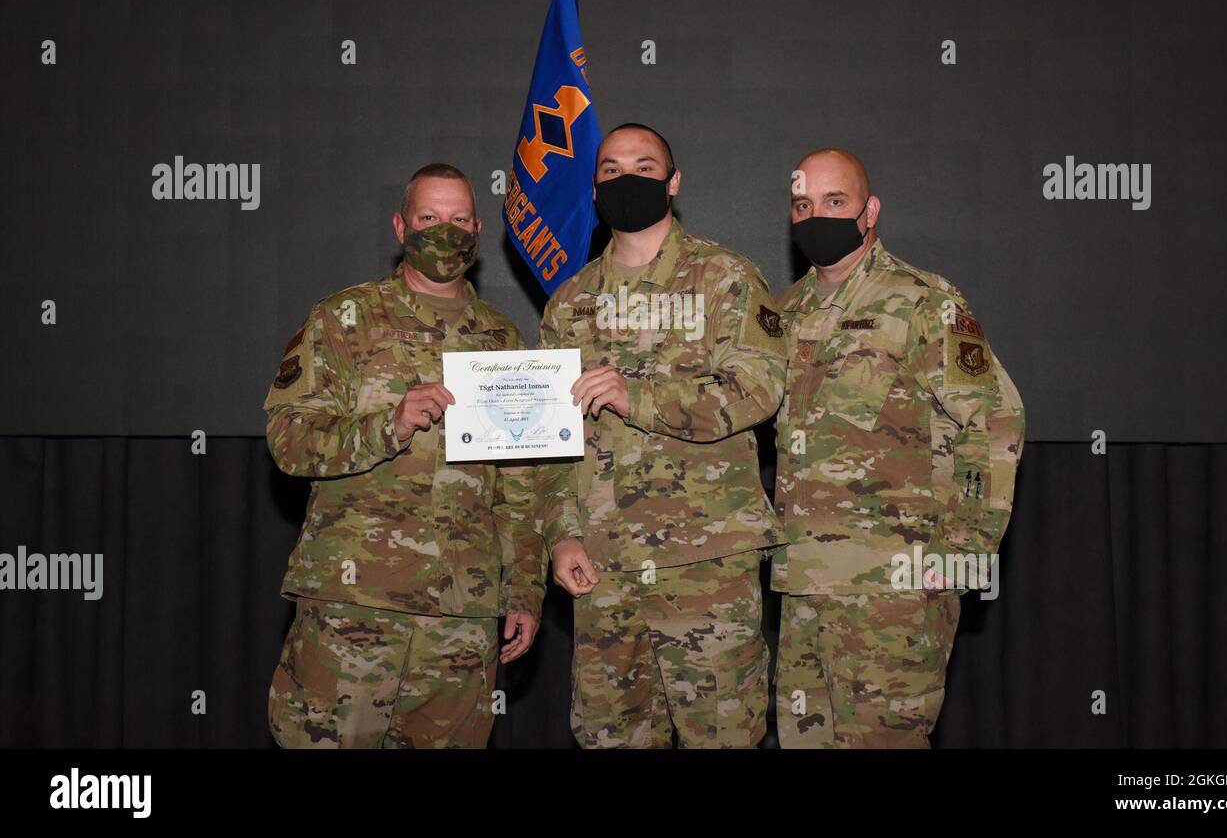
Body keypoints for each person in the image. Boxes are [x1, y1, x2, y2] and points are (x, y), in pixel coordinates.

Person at [263, 163, 545, 748]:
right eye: (429, 217)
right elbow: (290, 440)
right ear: (401, 227)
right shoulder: (343, 319)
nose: (446, 231)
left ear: (478, 229)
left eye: (460, 220)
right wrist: (386, 427)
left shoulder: (502, 340)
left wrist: (523, 590)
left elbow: (518, 488)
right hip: (356, 603)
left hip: (463, 615)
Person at [537, 123, 787, 748]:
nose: (627, 179)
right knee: (610, 737)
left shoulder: (725, 278)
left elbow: (759, 389)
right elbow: (551, 440)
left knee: (722, 736)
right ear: (594, 188)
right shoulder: (569, 302)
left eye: (644, 168)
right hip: (603, 568)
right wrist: (561, 534)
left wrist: (639, 397)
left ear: (673, 183)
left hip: (705, 562)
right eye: (611, 169)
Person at [773, 148, 1026, 748]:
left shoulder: (922, 301)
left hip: (896, 589)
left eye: (835, 201)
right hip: (802, 583)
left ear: (870, 211)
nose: (816, 216)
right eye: (803, 205)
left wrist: (963, 551)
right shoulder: (780, 315)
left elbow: (994, 421)